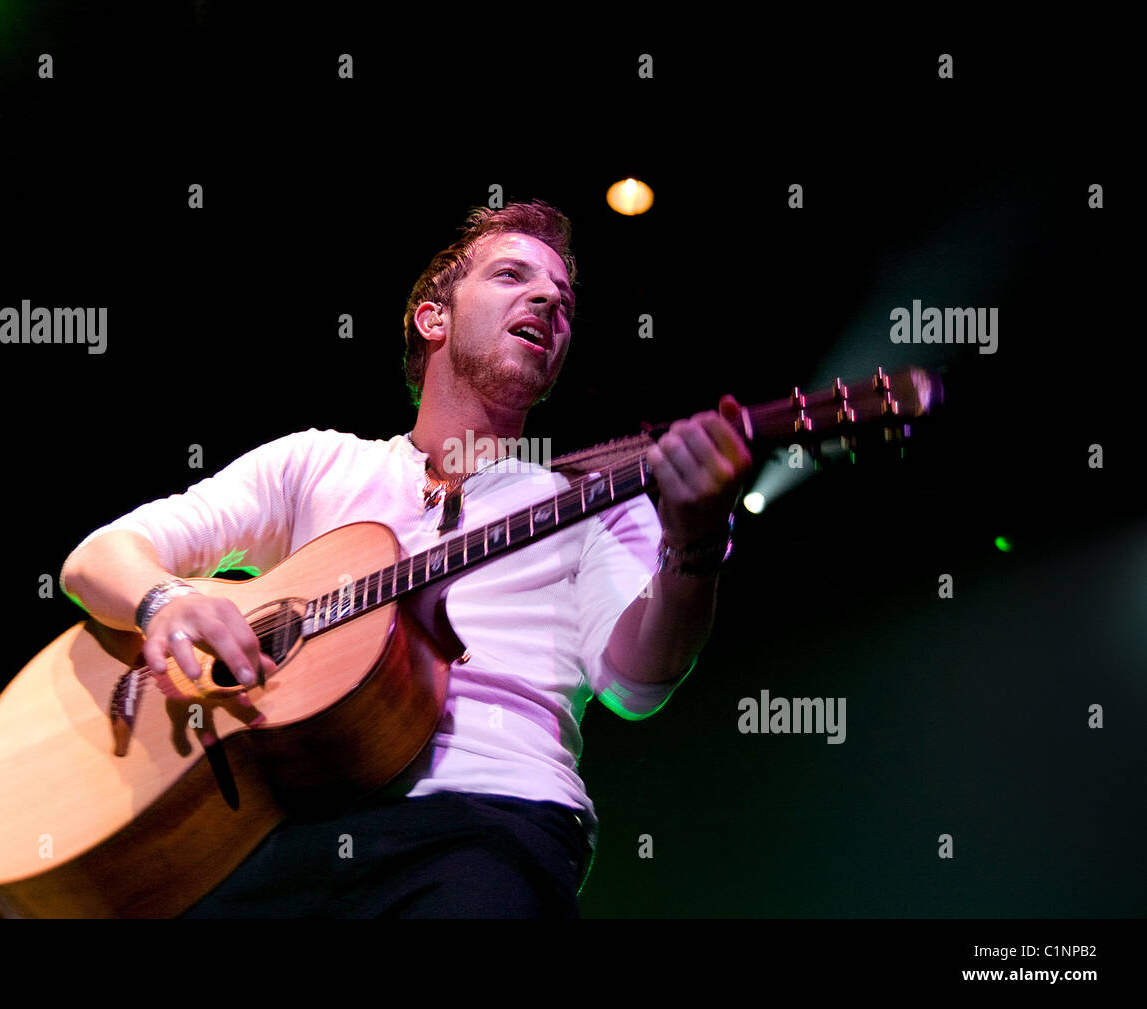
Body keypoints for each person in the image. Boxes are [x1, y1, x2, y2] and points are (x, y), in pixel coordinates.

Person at [59, 200, 753, 917]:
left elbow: (636, 681)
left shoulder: (594, 499)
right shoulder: (317, 462)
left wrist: (695, 540)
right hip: (283, 820)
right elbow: (98, 557)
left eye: (564, 300)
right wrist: (163, 601)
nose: (548, 299)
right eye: (512, 274)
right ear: (434, 318)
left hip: (489, 822)